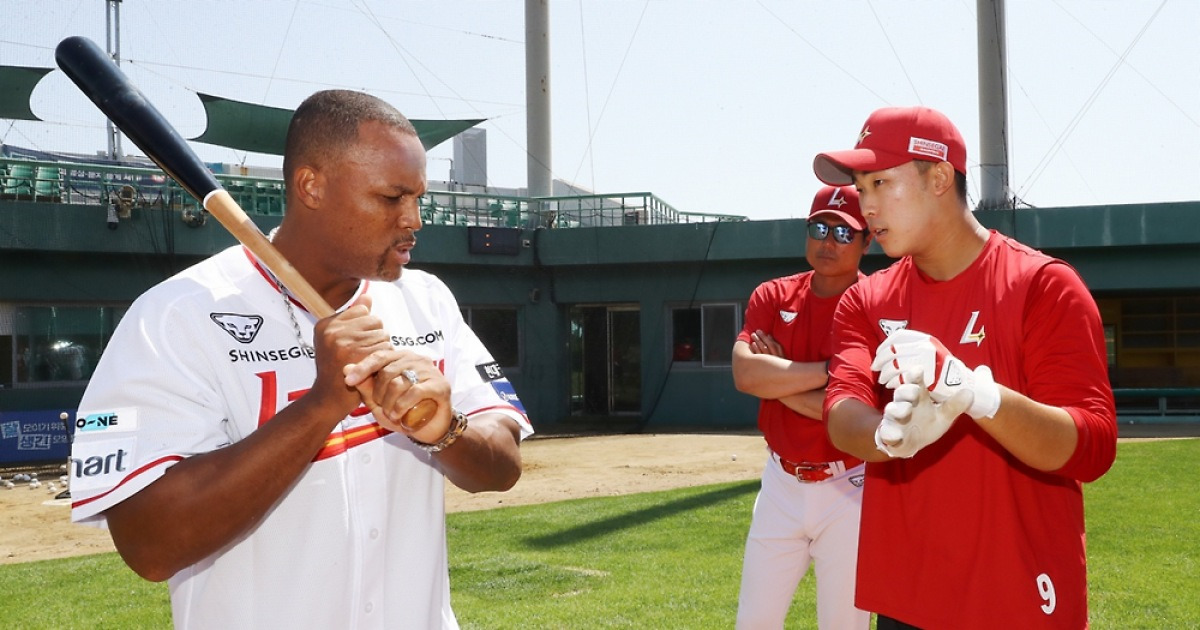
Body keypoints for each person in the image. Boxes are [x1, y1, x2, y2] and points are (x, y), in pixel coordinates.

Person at [68, 90, 533, 629]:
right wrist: (320, 405)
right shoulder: (177, 315)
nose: (414, 218)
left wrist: (444, 429)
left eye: (418, 197)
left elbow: (503, 466)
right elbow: (149, 546)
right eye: (391, 197)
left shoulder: (425, 300)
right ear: (311, 186)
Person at [812, 105, 1117, 629]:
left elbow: (1092, 446)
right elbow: (841, 410)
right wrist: (890, 435)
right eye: (862, 189)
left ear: (938, 178)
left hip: (1020, 595)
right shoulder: (865, 300)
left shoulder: (1042, 286)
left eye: (882, 183)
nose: (868, 208)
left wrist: (976, 395)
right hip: (907, 597)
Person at [732, 184, 872, 629]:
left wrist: (777, 381)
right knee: (753, 623)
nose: (829, 241)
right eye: (819, 227)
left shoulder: (877, 305)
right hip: (780, 483)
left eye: (845, 233)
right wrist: (832, 369)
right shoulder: (773, 296)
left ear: (868, 241)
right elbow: (745, 375)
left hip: (849, 485)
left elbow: (851, 412)